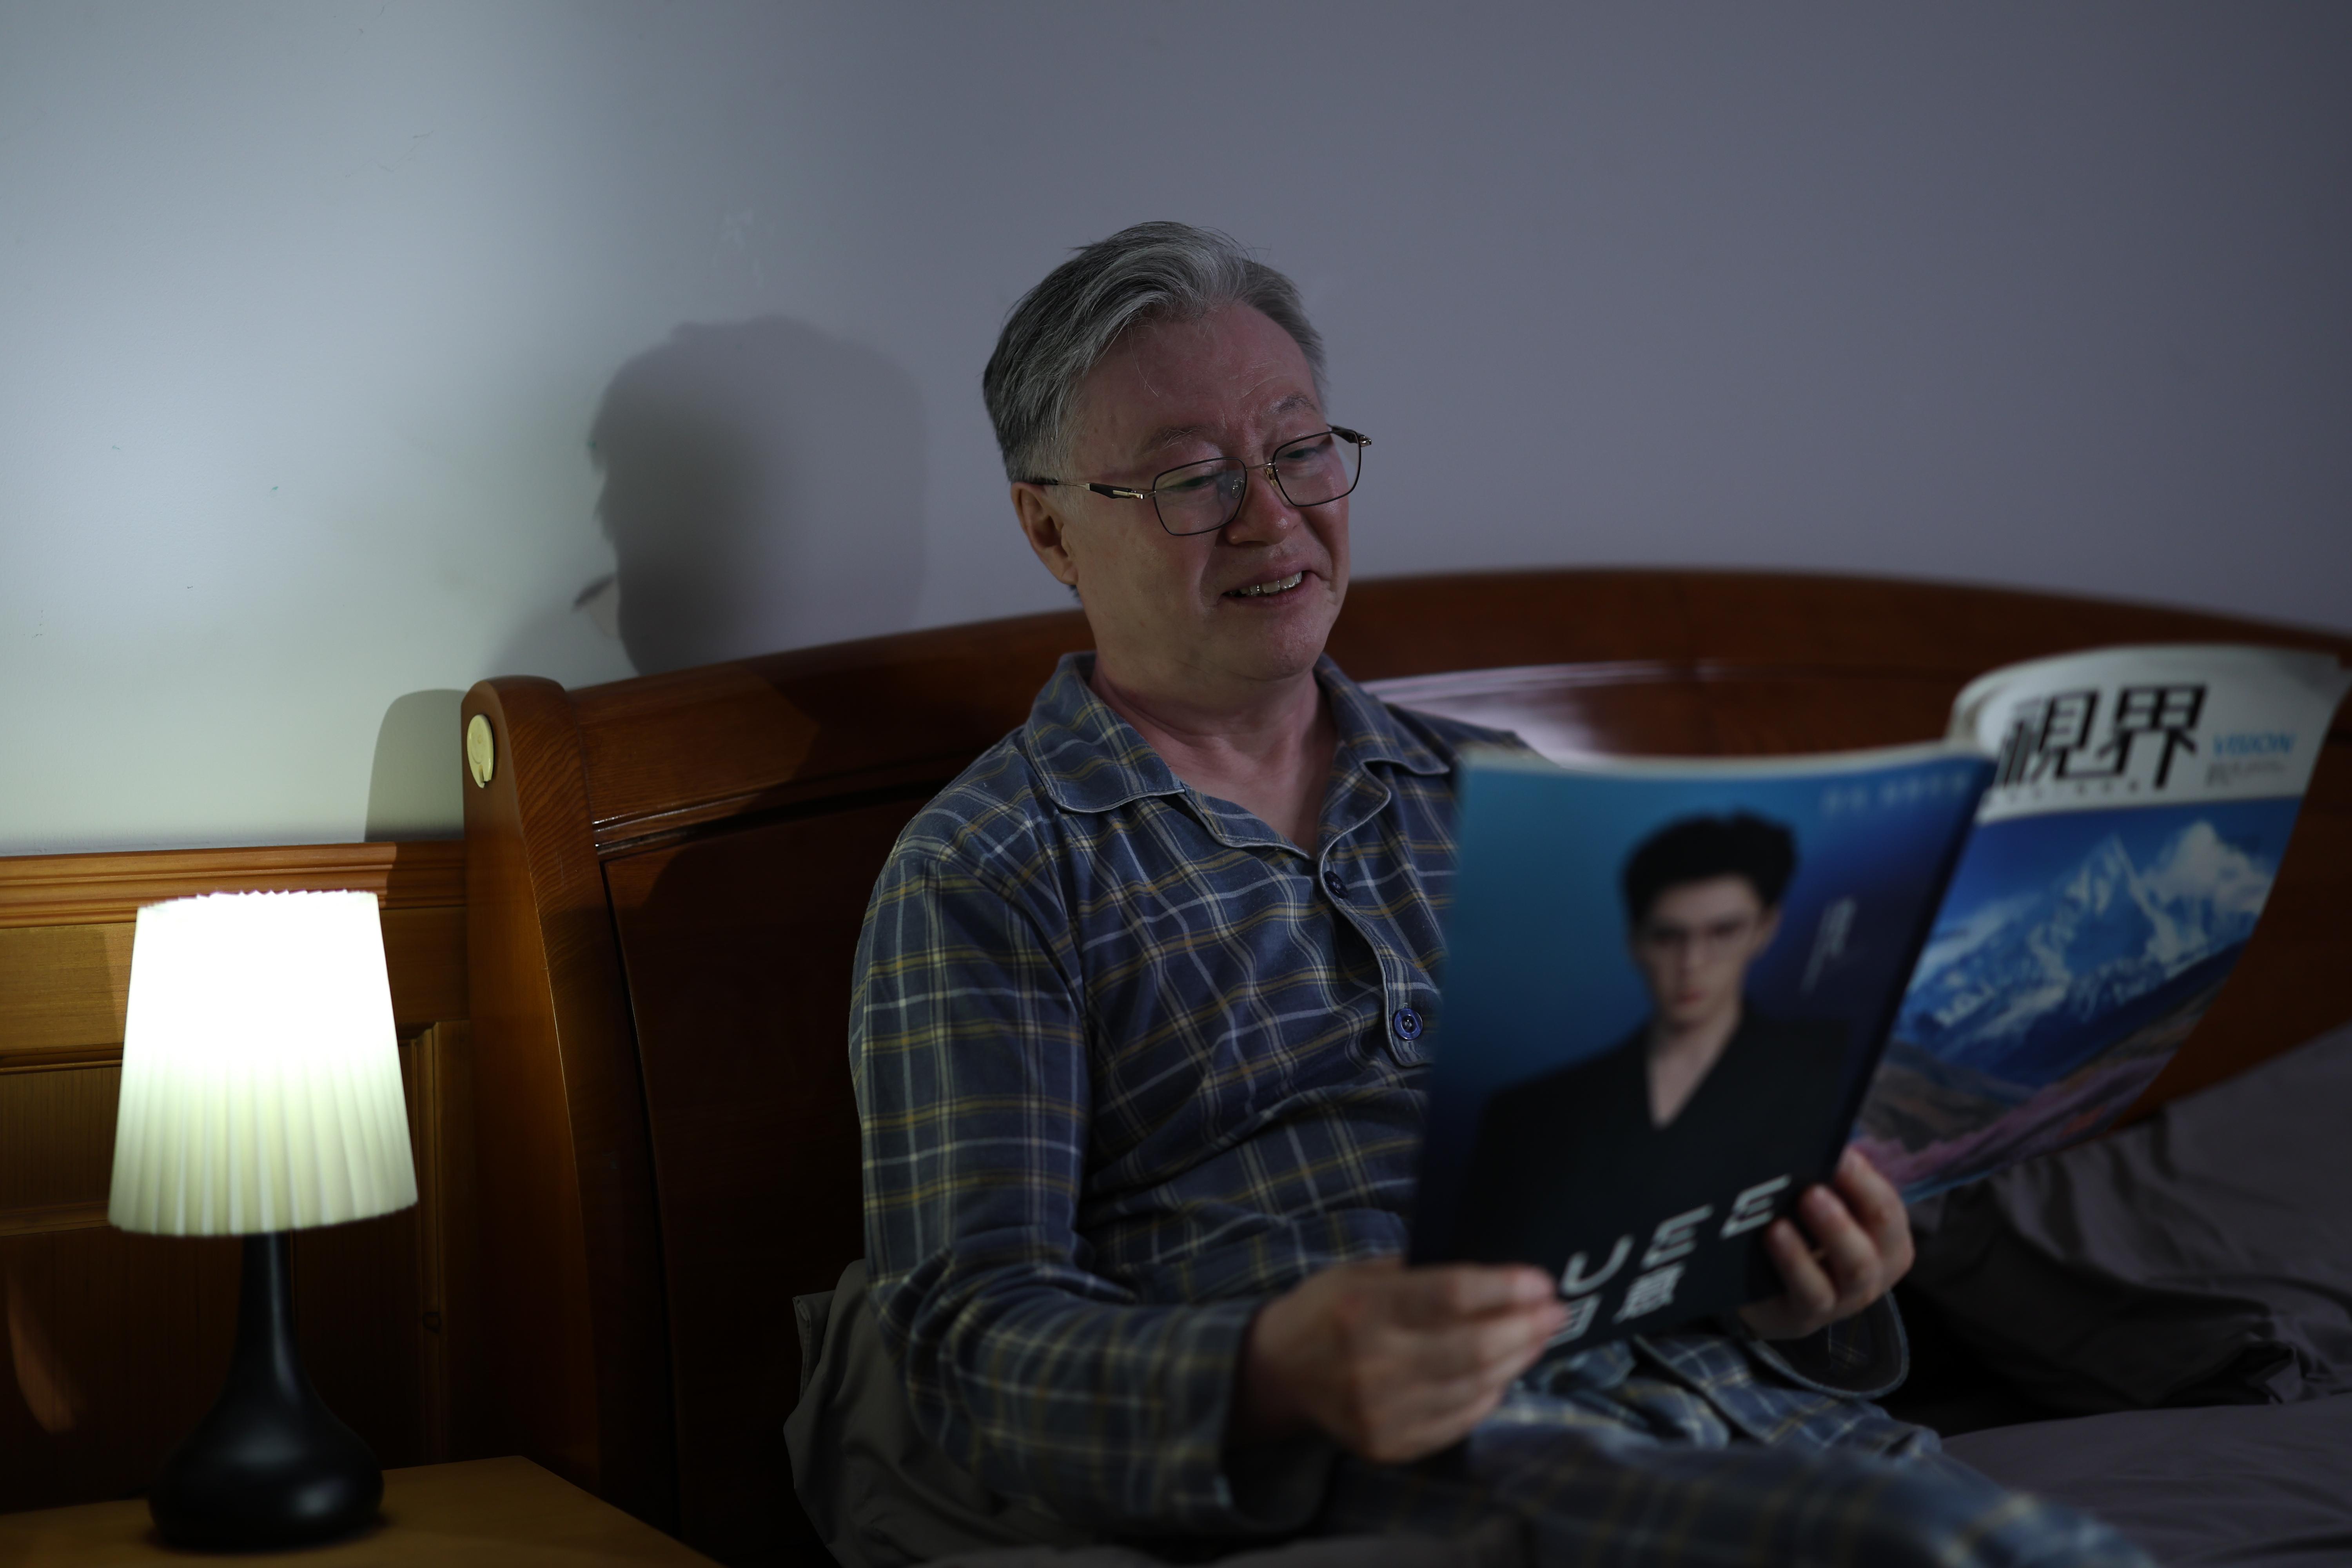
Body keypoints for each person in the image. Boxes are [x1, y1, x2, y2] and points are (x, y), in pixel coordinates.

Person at [831, 222, 2149, 1565]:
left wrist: (1796, 1284)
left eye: (1299, 452)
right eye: (1190, 479)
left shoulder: (1508, 794)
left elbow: (1667, 1185)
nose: (1272, 518)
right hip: (1424, 1467)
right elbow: (963, 1340)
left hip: (1750, 1421)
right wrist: (1271, 1368)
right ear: (1049, 527)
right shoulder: (992, 870)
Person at [1446, 813, 1851, 1302]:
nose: (1692, 963)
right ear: (1635, 942)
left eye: (1723, 931)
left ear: (1765, 929)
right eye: (1668, 936)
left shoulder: (1829, 1065)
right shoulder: (1530, 1115)